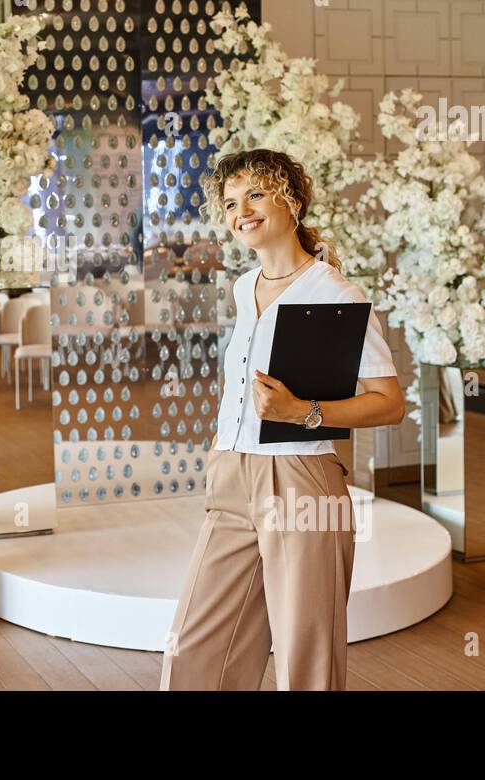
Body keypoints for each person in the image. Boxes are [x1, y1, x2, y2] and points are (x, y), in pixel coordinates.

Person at [160, 148, 404, 691]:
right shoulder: (242, 288)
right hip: (232, 477)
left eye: (255, 194)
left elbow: (389, 401)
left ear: (290, 201)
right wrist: (223, 448)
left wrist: (303, 412)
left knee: (305, 655)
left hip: (301, 481)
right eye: (229, 202)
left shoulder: (335, 292)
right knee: (194, 646)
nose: (240, 211)